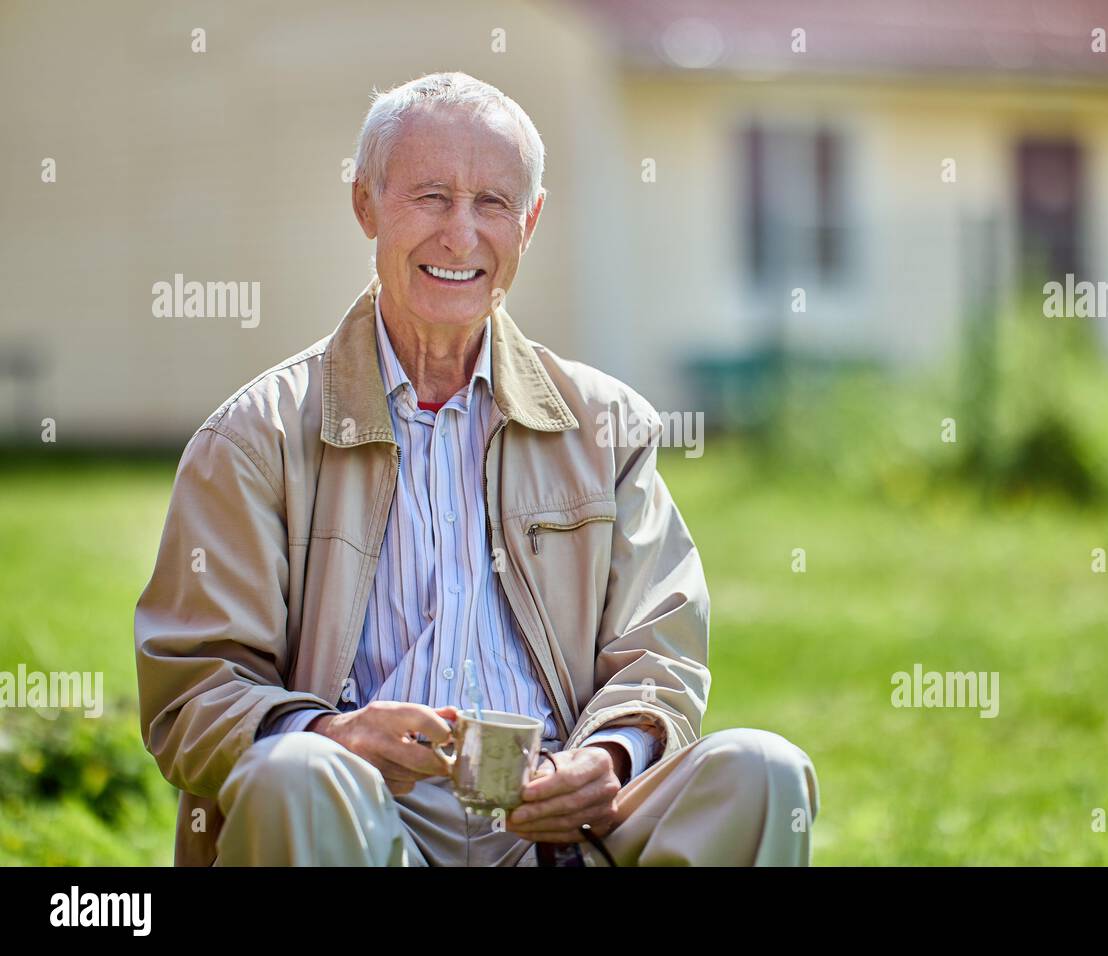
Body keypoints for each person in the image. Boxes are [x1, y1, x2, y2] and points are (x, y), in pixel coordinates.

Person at [134, 71, 819, 866]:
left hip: (564, 835)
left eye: (492, 203)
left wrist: (609, 760)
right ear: (365, 204)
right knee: (296, 772)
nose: (461, 236)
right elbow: (193, 691)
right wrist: (332, 733)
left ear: (529, 222)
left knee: (762, 770)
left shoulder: (606, 427)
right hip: (361, 822)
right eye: (430, 197)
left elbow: (659, 652)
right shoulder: (256, 437)